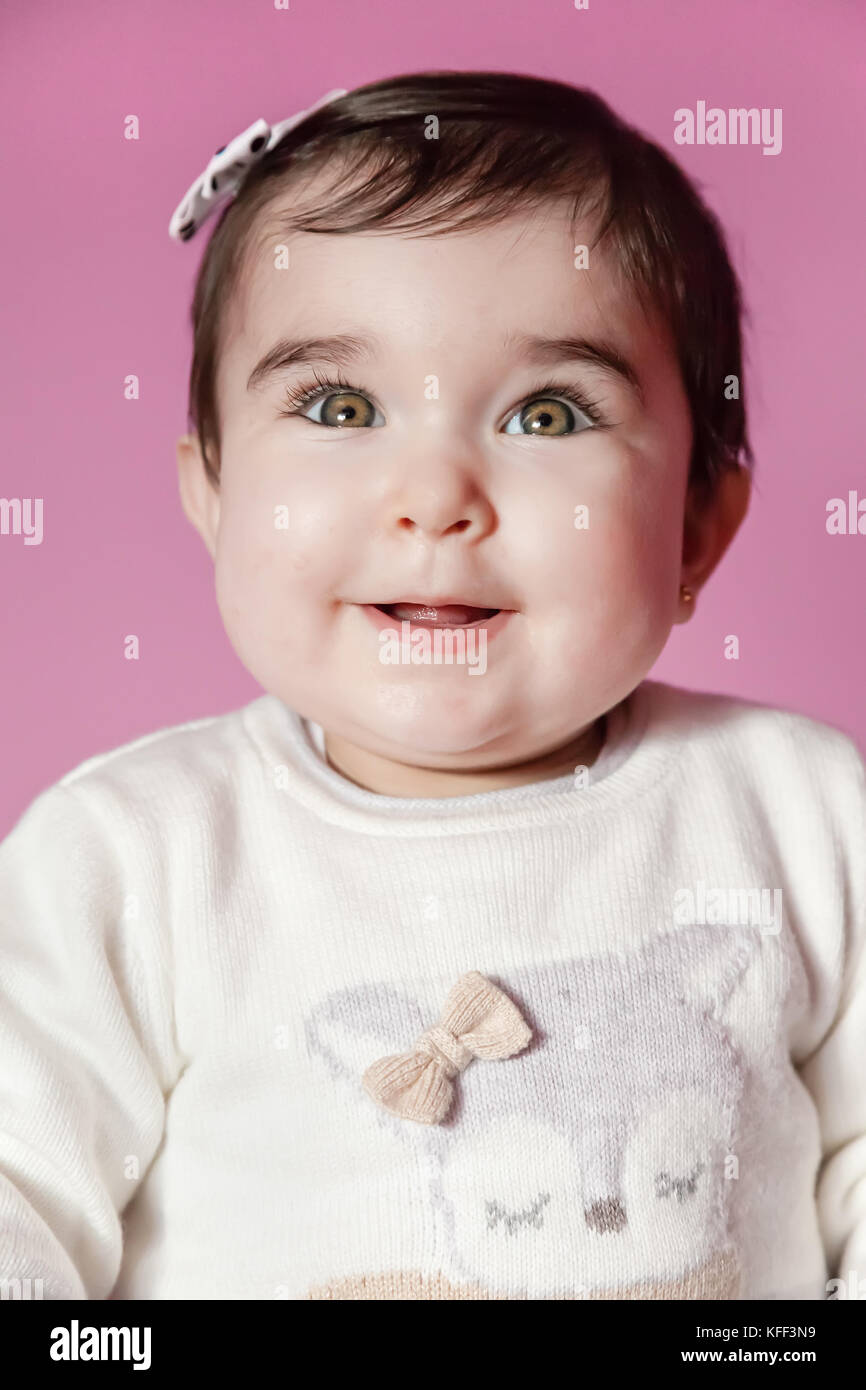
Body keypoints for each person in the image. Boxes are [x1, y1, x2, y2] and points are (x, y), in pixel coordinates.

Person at [1, 71, 863, 1300]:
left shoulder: (804, 816)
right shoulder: (135, 858)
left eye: (550, 411)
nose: (436, 495)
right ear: (214, 495)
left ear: (695, 531)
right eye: (339, 405)